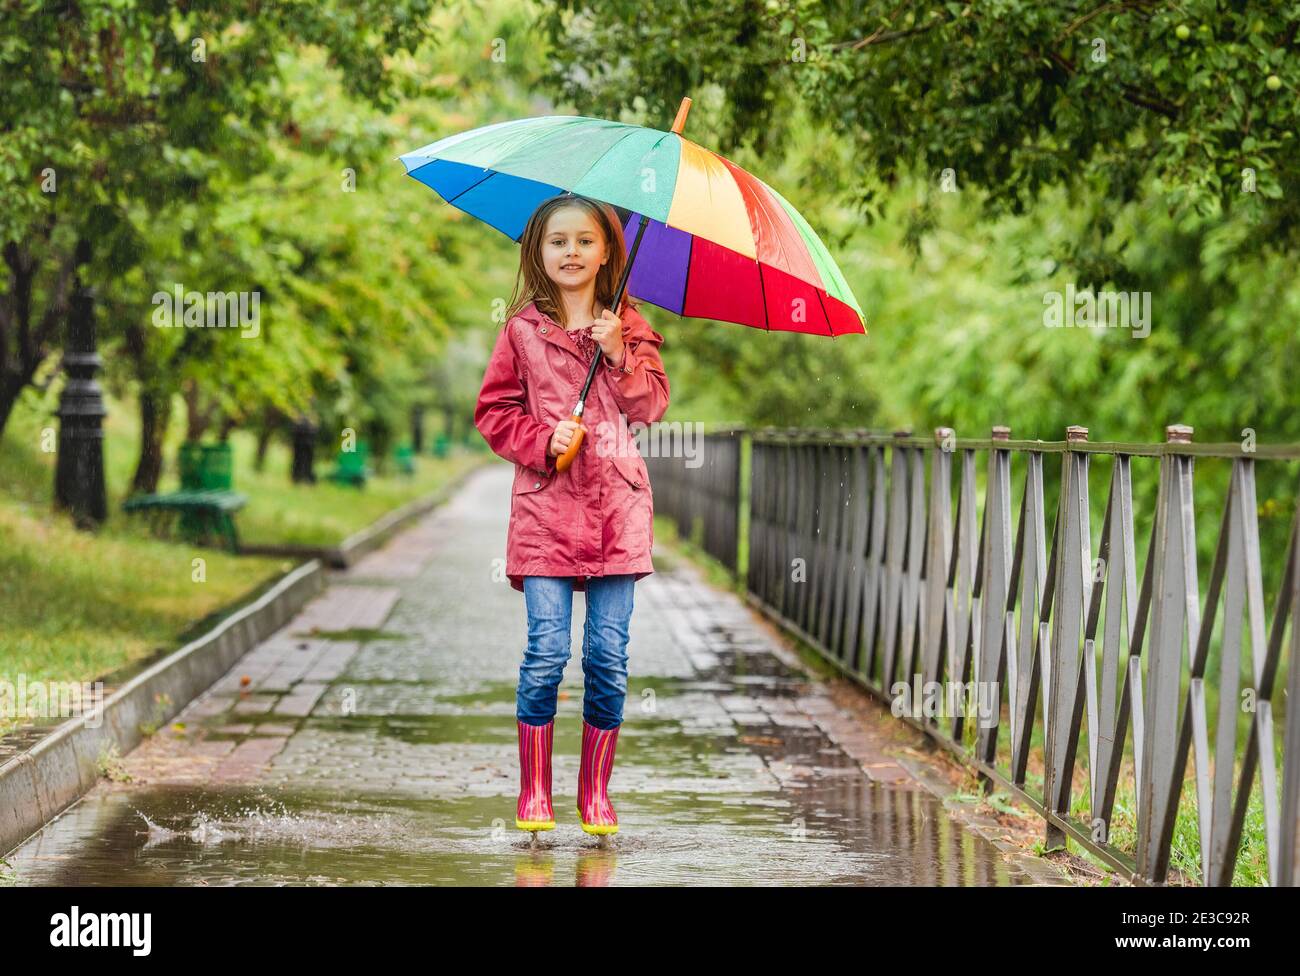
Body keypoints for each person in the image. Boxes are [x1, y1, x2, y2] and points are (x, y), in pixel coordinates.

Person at [473, 192, 670, 839]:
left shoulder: (630, 326)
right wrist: (541, 441)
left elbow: (650, 408)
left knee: (608, 657)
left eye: (585, 241)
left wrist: (618, 354)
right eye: (558, 242)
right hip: (545, 513)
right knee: (545, 653)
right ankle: (535, 790)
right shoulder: (521, 331)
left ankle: (595, 793)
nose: (571, 252)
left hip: (616, 510)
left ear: (607, 250)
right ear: (538, 251)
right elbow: (494, 412)